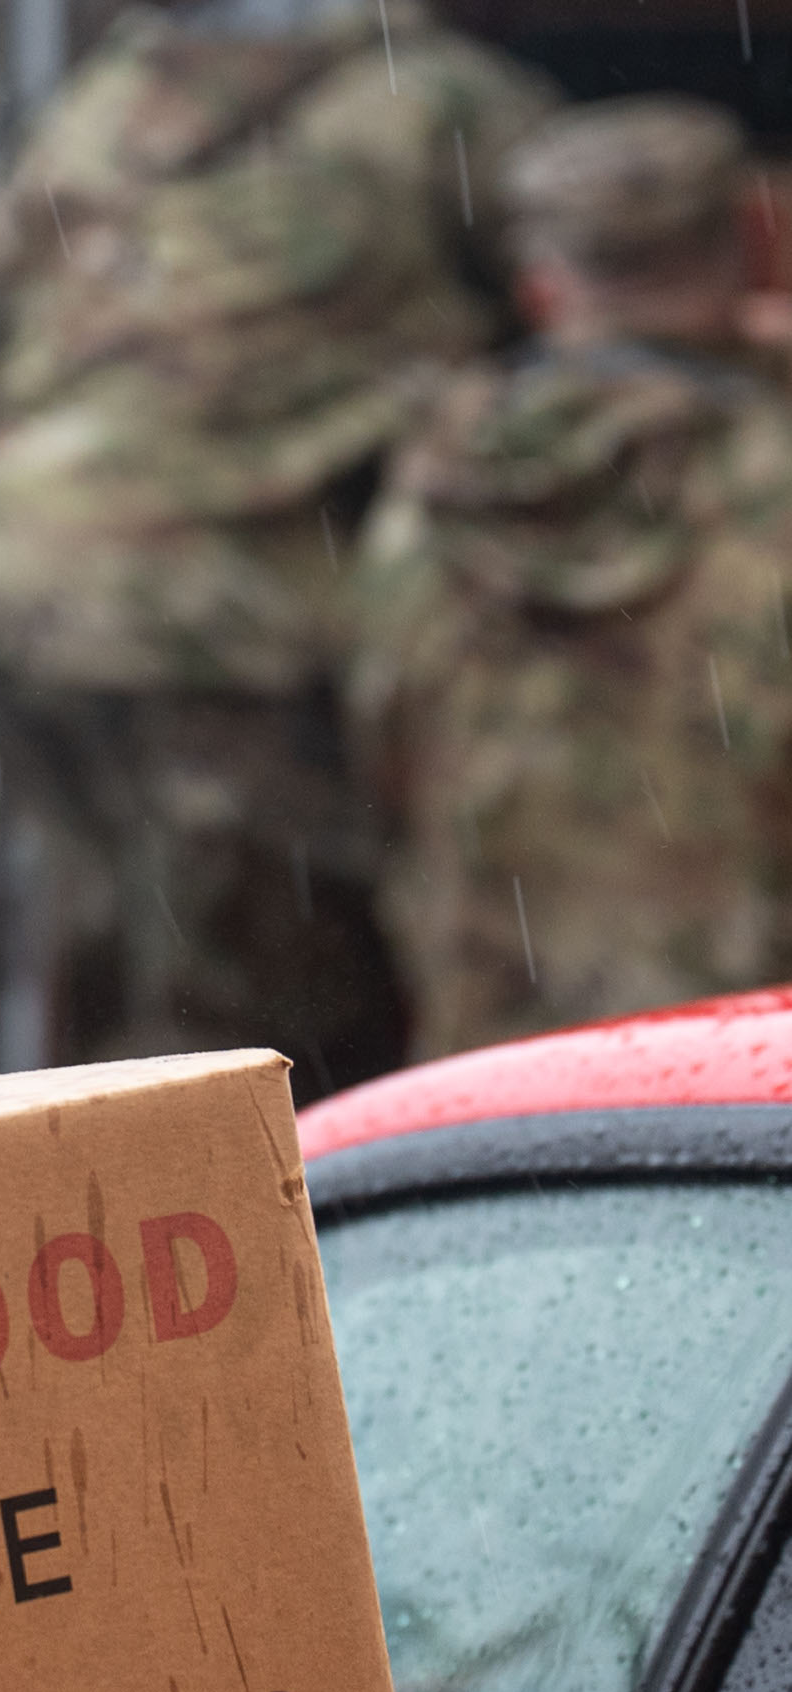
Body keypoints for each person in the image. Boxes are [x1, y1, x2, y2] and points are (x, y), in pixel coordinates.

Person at [0, 0, 553, 1092]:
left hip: (14, 594)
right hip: (232, 625)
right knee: (268, 1026)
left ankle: (91, 1217)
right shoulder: (445, 103)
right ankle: (266, 1238)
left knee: (111, 955)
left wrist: (2, 510)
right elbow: (585, 308)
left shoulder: (102, 103)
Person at [351, 97, 792, 1057]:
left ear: (541, 287)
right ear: (757, 245)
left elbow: (380, 734)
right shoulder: (767, 474)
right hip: (740, 1057)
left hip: (492, 1044)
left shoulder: (437, 486)